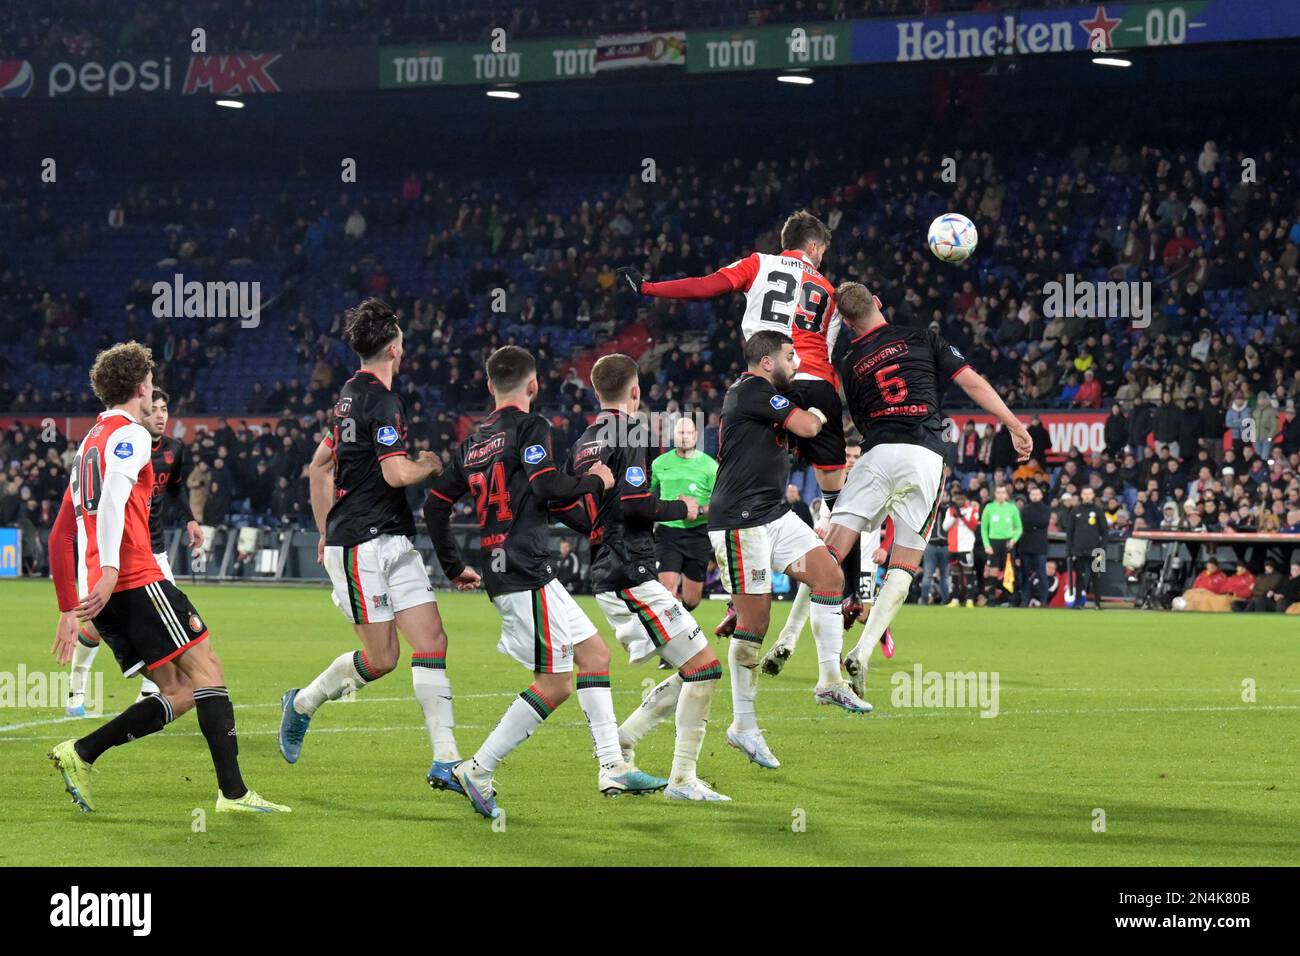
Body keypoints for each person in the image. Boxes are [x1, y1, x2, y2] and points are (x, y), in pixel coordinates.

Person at [422, 346, 664, 820]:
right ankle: (478, 769)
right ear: (533, 387)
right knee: (554, 684)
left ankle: (613, 765)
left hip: (513, 566)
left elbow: (434, 506)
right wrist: (596, 481)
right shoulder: (533, 427)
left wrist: (453, 566)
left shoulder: (473, 441)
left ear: (490, 386)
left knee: (594, 654)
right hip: (523, 567)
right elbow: (547, 487)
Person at [48, 342, 287, 814]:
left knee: (177, 693)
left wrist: (65, 606)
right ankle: (233, 794)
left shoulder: (87, 447)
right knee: (209, 671)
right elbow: (115, 497)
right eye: (152, 383)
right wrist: (114, 569)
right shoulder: (132, 435)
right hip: (134, 577)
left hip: (105, 591)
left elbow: (60, 533)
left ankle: (80, 752)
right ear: (142, 387)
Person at [619, 210, 859, 630]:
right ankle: (853, 593)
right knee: (839, 502)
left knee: (743, 487)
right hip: (815, 383)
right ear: (815, 247)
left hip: (763, 383)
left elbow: (706, 286)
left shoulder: (759, 263)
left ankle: (738, 598)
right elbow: (837, 343)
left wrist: (648, 287)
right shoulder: (830, 291)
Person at [277, 299, 461, 783]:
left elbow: (318, 465)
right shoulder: (382, 400)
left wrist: (322, 531)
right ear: (396, 348)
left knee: (432, 641)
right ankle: (301, 703)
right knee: (382, 659)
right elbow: (398, 473)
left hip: (392, 540)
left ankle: (446, 759)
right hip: (361, 546)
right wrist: (431, 463)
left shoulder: (347, 397)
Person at [820, 282, 1031, 698]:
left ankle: (800, 646)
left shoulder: (850, 360)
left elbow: (859, 420)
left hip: (877, 453)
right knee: (905, 561)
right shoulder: (922, 337)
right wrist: (1013, 423)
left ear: (846, 322)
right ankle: (863, 651)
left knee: (831, 549)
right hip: (923, 454)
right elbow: (972, 382)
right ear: (878, 303)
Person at [550, 353, 728, 801]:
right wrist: (678, 509)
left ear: (595, 392)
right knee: (703, 668)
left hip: (613, 568)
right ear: (635, 392)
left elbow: (568, 508)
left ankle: (627, 738)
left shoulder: (586, 440)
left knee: (699, 667)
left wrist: (597, 529)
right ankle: (682, 781)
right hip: (630, 570)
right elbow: (635, 506)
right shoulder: (629, 432)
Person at [708, 330, 870, 771]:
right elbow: (808, 425)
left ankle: (829, 679)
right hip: (739, 522)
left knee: (830, 576)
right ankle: (743, 725)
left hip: (774, 515)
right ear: (766, 362)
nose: (796, 361)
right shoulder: (750, 391)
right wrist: (820, 405)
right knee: (756, 624)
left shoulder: (767, 396)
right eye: (789, 355)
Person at [60, 386, 202, 715]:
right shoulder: (125, 443)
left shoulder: (174, 450)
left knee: (164, 627)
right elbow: (107, 500)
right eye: (154, 409)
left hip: (155, 553)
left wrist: (190, 520)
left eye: (165, 409)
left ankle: (148, 696)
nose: (161, 415)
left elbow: (176, 488)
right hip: (119, 553)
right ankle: (76, 688)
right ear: (141, 410)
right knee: (97, 624)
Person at [651, 417, 716, 612]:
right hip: (668, 533)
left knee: (692, 599)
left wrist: (701, 510)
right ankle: (672, 633)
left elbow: (722, 505)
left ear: (696, 436)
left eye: (689, 433)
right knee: (666, 591)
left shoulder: (710, 466)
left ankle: (682, 618)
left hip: (698, 534)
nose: (685, 437)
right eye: (681, 433)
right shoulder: (659, 463)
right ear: (674, 435)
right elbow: (647, 495)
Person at [1064, 487, 1105, 608]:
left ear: (1093, 496)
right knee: (1080, 578)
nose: (1087, 496)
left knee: (1096, 577)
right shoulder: (1075, 511)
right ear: (1081, 495)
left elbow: (1105, 532)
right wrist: (1069, 550)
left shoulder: (1098, 511)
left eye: (1089, 493)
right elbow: (1069, 533)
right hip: (1078, 551)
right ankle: (1077, 603)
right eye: (1085, 493)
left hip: (1097, 551)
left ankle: (1097, 603)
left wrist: (1102, 548)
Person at [980, 484, 1021, 604]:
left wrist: (1013, 540)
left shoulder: (1012, 508)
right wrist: (987, 545)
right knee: (993, 570)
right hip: (994, 542)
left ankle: (1007, 599)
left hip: (1008, 542)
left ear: (1007, 494)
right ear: (995, 494)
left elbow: (1019, 528)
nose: (1001, 495)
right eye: (998, 492)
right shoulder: (989, 507)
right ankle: (991, 598)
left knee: (1009, 571)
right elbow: (983, 528)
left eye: (1003, 492)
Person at [1017, 484, 1051, 606]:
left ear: (1041, 496)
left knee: (1042, 575)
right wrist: (1034, 526)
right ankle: (1025, 601)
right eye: (1033, 494)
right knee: (1024, 575)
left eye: (1037, 494)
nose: (1035, 496)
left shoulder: (1046, 509)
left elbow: (1043, 522)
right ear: (1029, 496)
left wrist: (1031, 525)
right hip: (1025, 546)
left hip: (1040, 547)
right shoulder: (1024, 509)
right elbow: (1023, 524)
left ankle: (1043, 601)